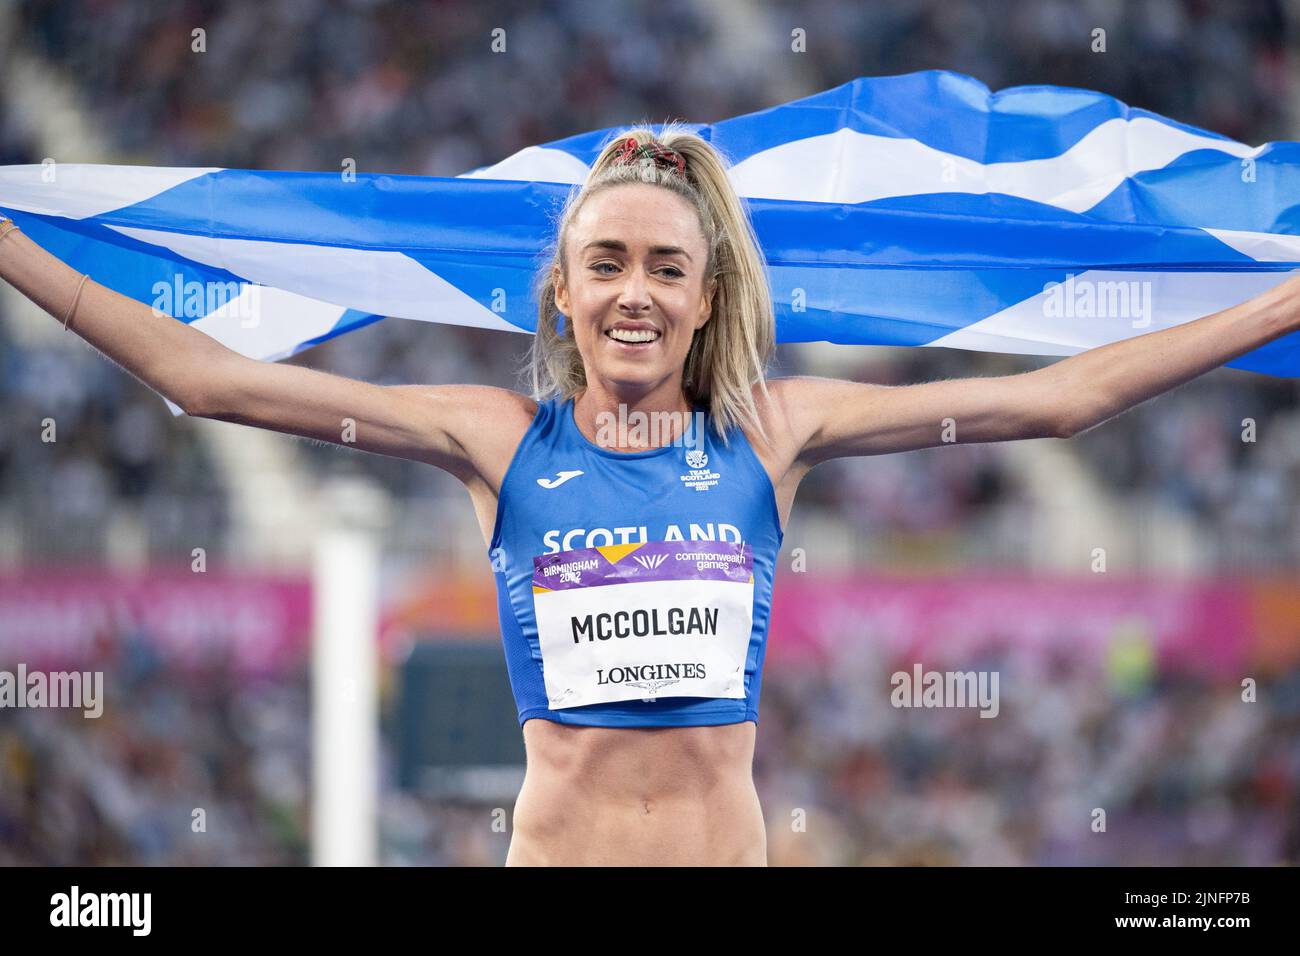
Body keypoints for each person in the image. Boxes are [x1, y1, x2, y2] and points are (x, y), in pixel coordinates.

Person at [2, 124, 1297, 866]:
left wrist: (1281, 304)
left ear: (707, 296)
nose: (635, 290)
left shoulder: (776, 434)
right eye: (605, 263)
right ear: (560, 292)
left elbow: (1058, 400)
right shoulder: (494, 441)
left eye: (666, 268)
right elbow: (208, 380)